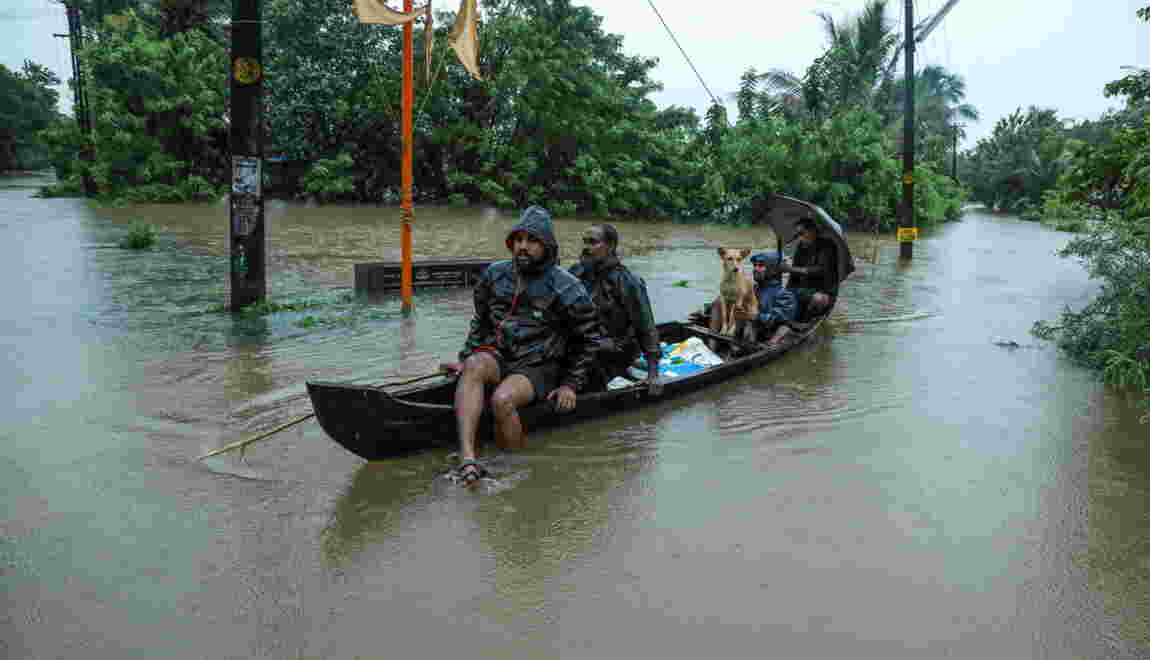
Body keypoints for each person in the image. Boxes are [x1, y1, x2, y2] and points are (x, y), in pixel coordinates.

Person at [441, 206, 603, 485]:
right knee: (474, 365)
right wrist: (465, 358)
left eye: (532, 240)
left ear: (546, 246)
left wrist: (569, 385)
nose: (523, 247)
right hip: (500, 355)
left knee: (502, 400)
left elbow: (589, 339)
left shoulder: (566, 286)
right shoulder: (495, 274)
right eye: (518, 240)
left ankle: (513, 472)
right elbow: (481, 321)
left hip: (539, 365)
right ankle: (468, 458)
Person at [568, 223, 662, 396]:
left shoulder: (628, 281)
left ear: (610, 246)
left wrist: (653, 375)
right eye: (585, 242)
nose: (586, 247)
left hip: (615, 348)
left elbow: (646, 327)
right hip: (584, 343)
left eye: (593, 242)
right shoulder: (575, 273)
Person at [767, 217, 839, 345]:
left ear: (812, 231)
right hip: (803, 290)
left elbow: (820, 270)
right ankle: (783, 326)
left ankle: (805, 324)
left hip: (823, 292)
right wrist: (785, 293)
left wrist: (789, 269)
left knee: (818, 300)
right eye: (797, 234)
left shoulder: (827, 246)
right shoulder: (801, 247)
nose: (799, 237)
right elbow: (794, 276)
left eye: (801, 233)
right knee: (780, 296)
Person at [747, 251, 797, 341]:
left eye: (760, 265)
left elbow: (780, 319)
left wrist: (757, 316)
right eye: (755, 265)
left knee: (784, 329)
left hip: (770, 336)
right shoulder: (753, 289)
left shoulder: (785, 295)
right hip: (754, 330)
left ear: (772, 270)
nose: (755, 268)